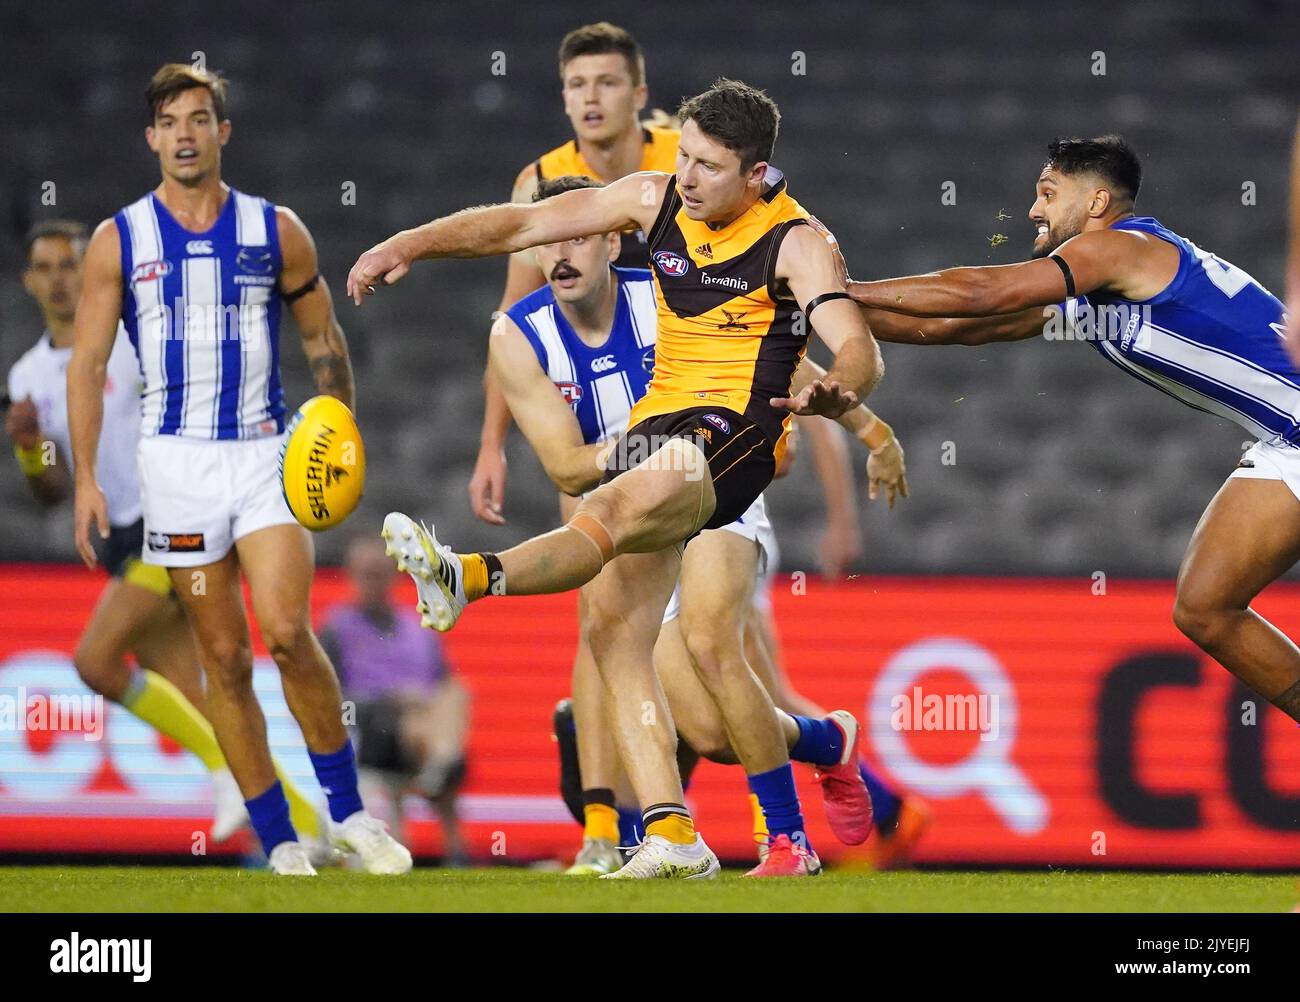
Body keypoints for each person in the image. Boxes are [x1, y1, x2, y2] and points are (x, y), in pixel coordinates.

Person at [351, 78, 885, 879]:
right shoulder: (652, 198)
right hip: (658, 433)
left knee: (703, 633)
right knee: (618, 637)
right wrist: (409, 244)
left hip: (735, 442)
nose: (688, 177)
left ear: (758, 174)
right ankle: (679, 827)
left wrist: (844, 389)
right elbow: (524, 222)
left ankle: (469, 576)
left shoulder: (799, 241)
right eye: (686, 158)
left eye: (708, 166)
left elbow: (857, 346)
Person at [67, 63, 409, 876]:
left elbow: (325, 339)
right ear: (151, 139)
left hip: (263, 455)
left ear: (224, 132)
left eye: (199, 118)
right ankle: (278, 836)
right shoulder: (120, 239)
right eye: (169, 123)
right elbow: (86, 365)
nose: (185, 134)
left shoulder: (275, 230)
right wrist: (84, 477)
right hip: (176, 466)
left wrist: (340, 430)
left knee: (288, 634)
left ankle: (353, 815)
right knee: (223, 657)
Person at [844, 134, 1299, 730]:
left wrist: (841, 290)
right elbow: (962, 325)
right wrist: (816, 309)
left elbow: (987, 291)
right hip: (1286, 441)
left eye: (1048, 193)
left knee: (1207, 607)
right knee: (1206, 609)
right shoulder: (1095, 285)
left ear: (1096, 202)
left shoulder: (1118, 250)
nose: (1033, 210)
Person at [6, 219, 324, 848]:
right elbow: (51, 486)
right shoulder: (27, 378)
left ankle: (225, 776)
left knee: (95, 662)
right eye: (43, 269)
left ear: (89, 270)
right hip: (121, 539)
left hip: (173, 516)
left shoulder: (126, 342)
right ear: (27, 282)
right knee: (204, 705)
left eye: (68, 265)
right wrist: (28, 449)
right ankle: (312, 834)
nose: (58, 280)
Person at [469, 21, 680, 526]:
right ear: (564, 99)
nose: (592, 97)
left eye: (607, 82)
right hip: (595, 390)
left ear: (639, 94)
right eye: (578, 85)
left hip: (682, 366)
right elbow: (512, 320)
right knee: (589, 540)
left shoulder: (681, 164)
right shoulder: (539, 185)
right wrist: (490, 446)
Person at [322, 535, 471, 866]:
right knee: (422, 722)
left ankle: (440, 764)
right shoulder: (337, 629)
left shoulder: (417, 626)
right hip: (374, 731)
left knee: (457, 692)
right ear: (352, 575)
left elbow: (444, 686)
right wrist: (390, 699)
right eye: (366, 574)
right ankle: (440, 766)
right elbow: (328, 700)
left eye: (379, 573)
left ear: (393, 576)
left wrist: (421, 702)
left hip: (425, 729)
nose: (373, 582)